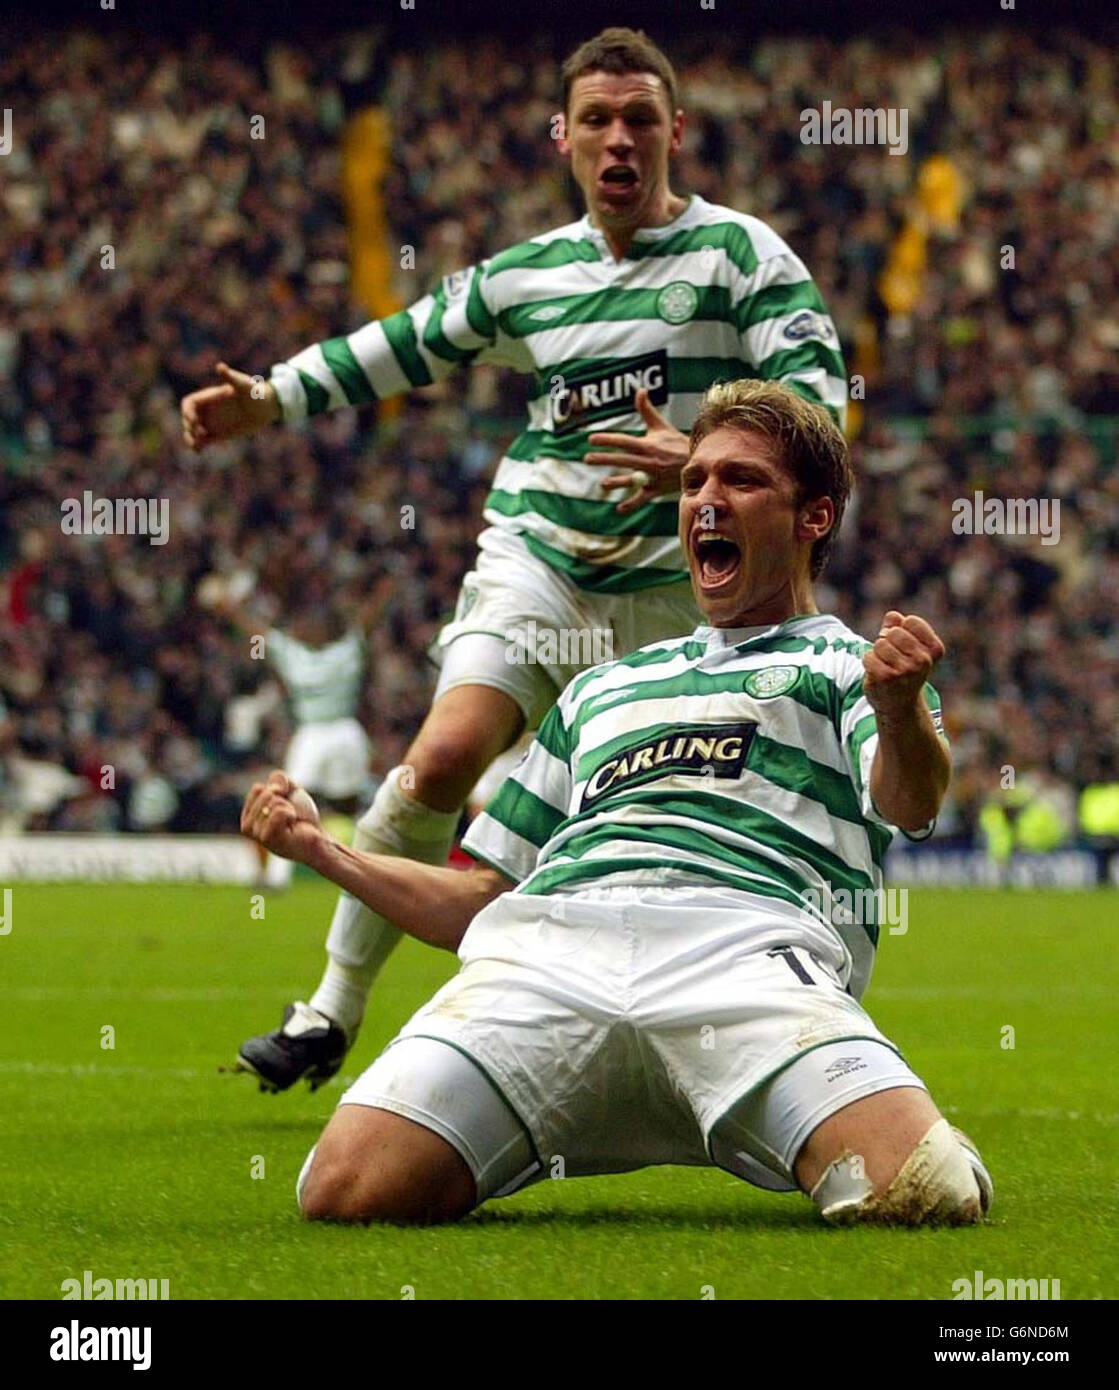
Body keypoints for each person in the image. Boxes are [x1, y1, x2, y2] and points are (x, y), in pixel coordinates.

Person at [183, 27, 848, 1090]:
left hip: (686, 598)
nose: (618, 139)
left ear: (676, 131)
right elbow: (406, 343)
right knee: (445, 756)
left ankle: (746, 1018)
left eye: (639, 119)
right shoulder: (528, 276)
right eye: (597, 120)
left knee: (649, 826)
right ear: (564, 139)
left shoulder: (742, 259)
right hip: (546, 562)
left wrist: (704, 452)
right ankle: (329, 1008)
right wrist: (275, 395)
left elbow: (822, 410)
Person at [242, 379, 992, 1228]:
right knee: (341, 1192)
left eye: (740, 481)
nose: (706, 500)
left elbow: (911, 801)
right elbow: (481, 899)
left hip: (742, 958)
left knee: (926, 1194)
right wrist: (323, 852)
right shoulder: (601, 687)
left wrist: (897, 708)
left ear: (814, 517)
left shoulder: (850, 669)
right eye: (694, 481)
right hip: (546, 963)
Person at [208, 577, 391, 889]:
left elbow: (367, 621)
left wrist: (383, 592)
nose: (306, 628)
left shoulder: (347, 650)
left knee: (351, 804)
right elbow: (258, 633)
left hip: (345, 731)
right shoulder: (293, 653)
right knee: (286, 799)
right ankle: (276, 877)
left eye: (313, 624)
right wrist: (228, 610)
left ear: (327, 629)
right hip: (312, 734)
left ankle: (371, 872)